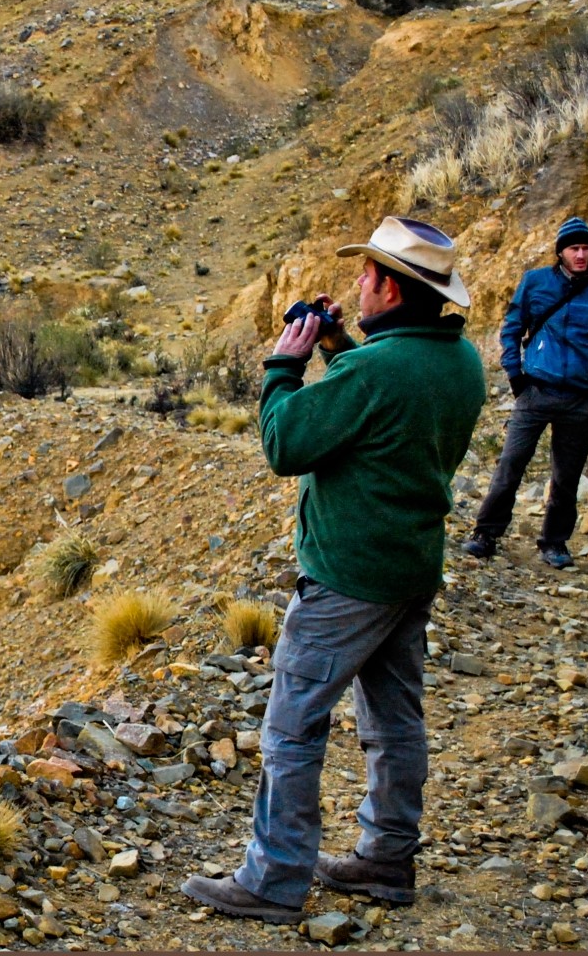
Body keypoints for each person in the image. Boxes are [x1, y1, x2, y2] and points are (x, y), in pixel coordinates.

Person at [181, 216, 486, 922]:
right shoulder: (457, 360)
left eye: (366, 274)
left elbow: (286, 443)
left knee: (291, 726)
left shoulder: (376, 371)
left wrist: (285, 366)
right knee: (394, 720)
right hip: (409, 567)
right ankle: (385, 857)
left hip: (347, 576)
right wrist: (337, 347)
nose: (357, 282)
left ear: (389, 286)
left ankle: (273, 878)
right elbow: (380, 407)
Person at [462, 217, 588, 569]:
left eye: (586, 248)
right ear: (561, 252)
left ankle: (554, 543)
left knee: (567, 476)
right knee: (510, 464)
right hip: (535, 390)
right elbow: (511, 328)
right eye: (574, 248)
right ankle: (486, 533)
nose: (581, 254)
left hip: (581, 396)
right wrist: (514, 375)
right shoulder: (535, 282)